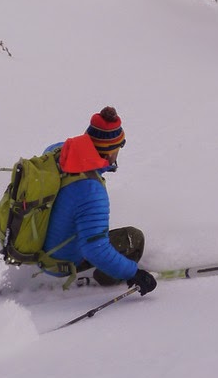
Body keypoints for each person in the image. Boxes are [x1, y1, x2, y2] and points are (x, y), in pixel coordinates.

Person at [43, 107, 157, 293]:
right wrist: (133, 274)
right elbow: (95, 250)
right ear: (110, 150)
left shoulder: (57, 150)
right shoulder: (91, 191)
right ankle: (107, 279)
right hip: (57, 261)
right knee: (133, 238)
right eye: (120, 146)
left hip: (35, 242)